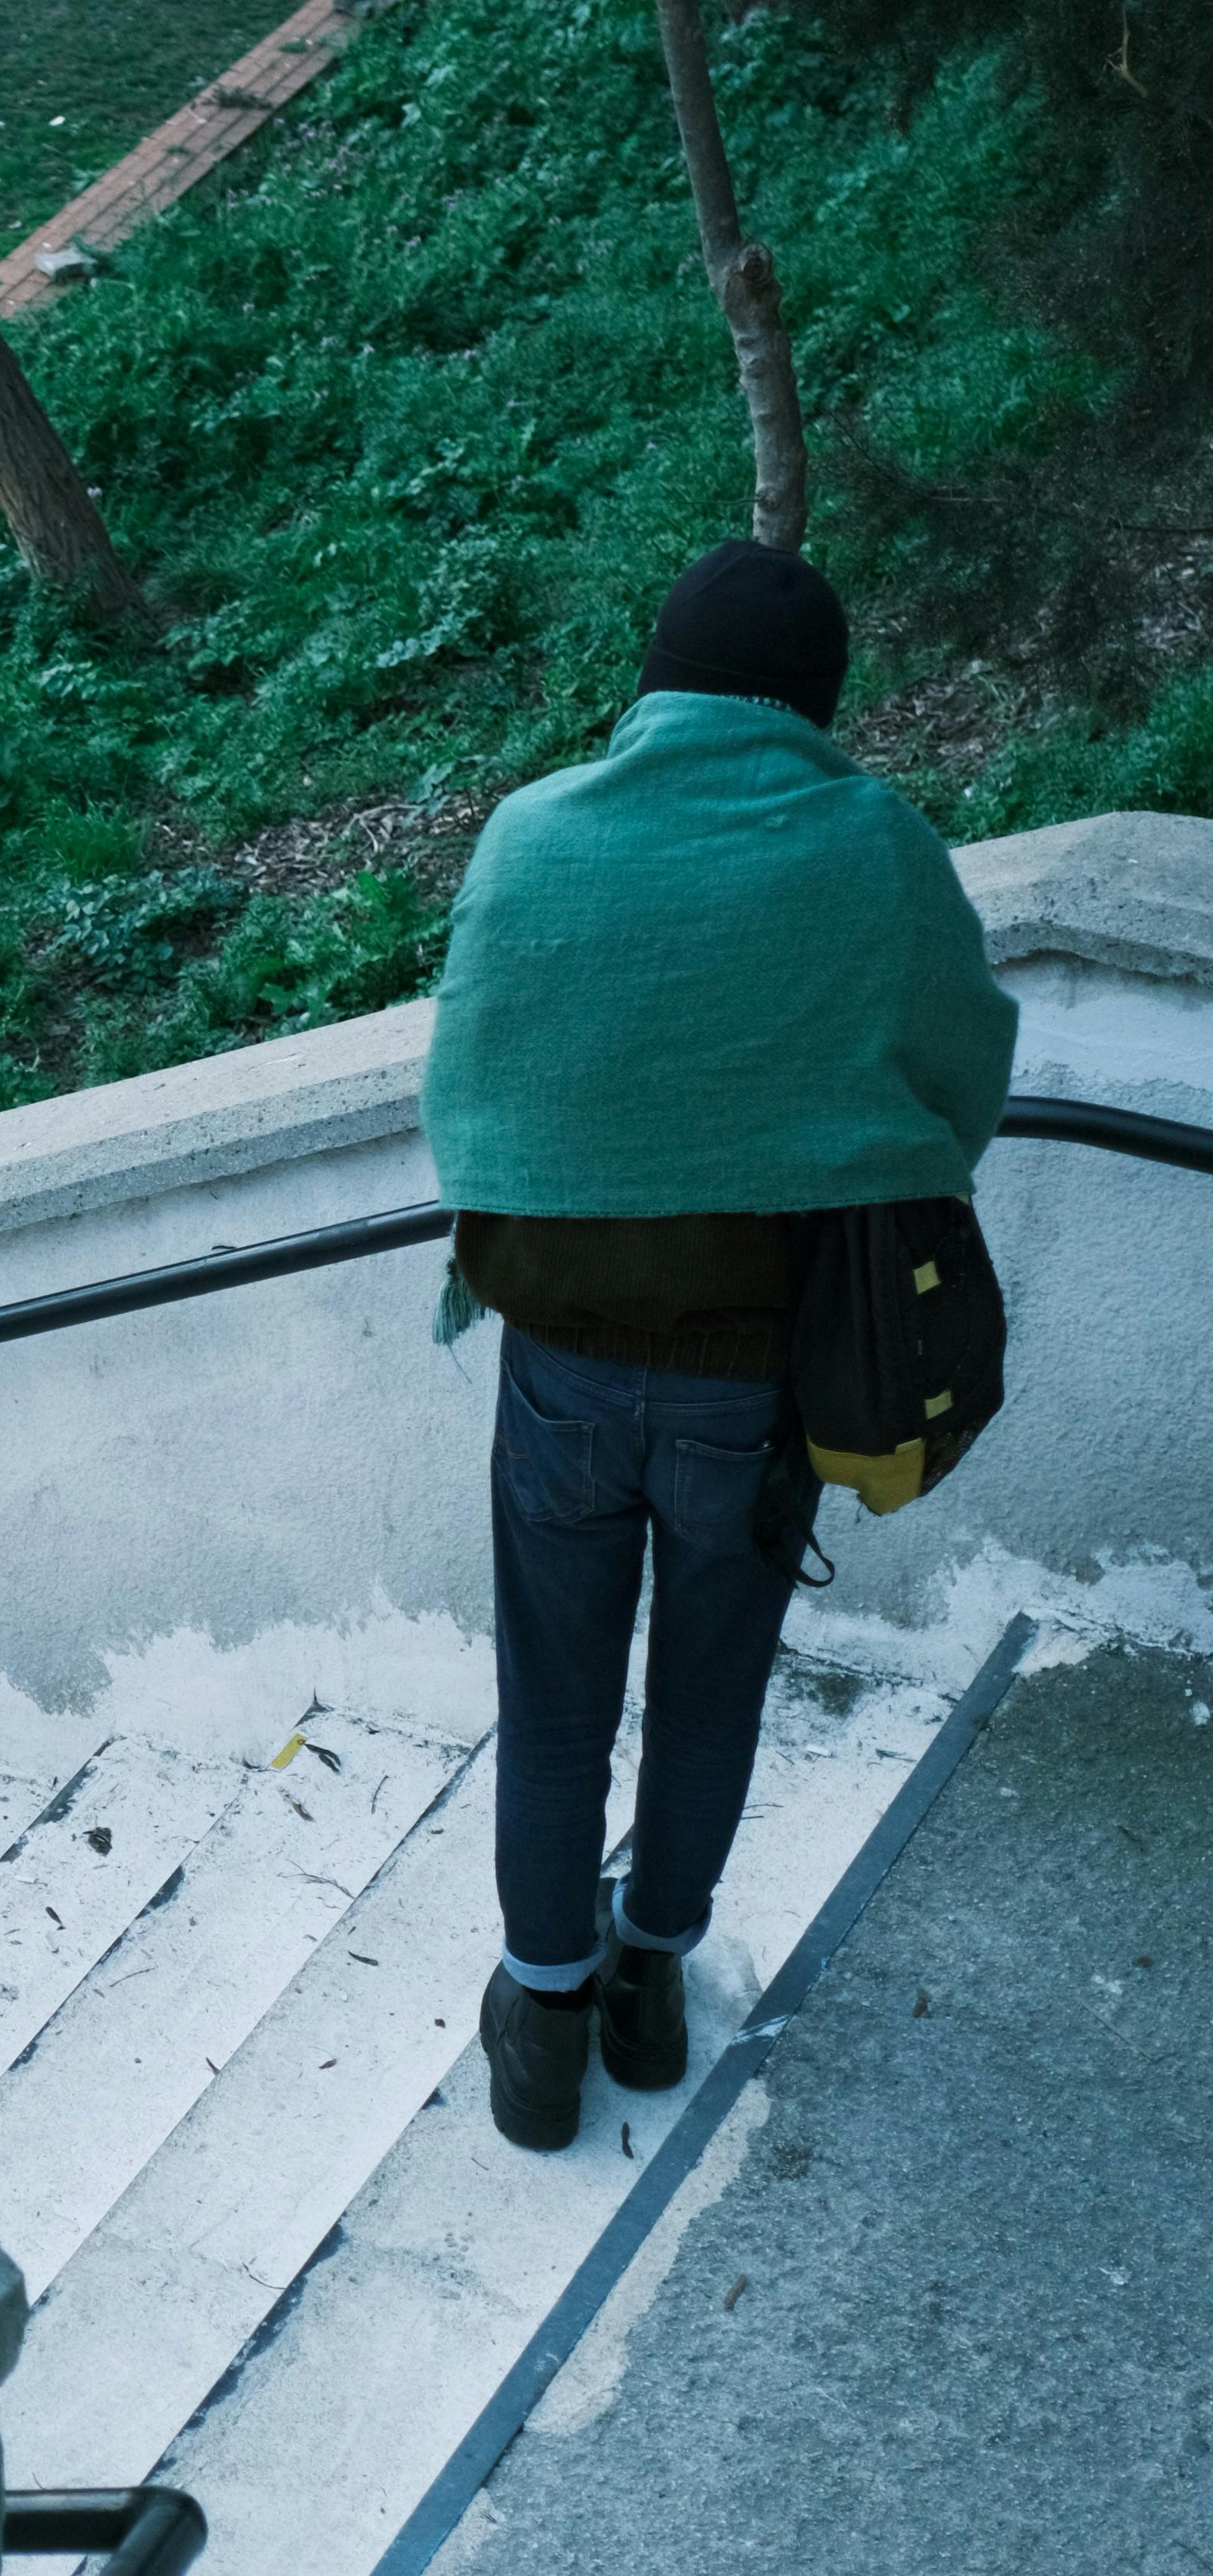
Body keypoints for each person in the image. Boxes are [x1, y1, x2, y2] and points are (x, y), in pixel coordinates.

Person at [422, 542, 1019, 2154]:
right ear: (816, 702)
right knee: (706, 1694)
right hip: (756, 1384)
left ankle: (537, 2019)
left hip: (555, 1356)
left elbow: (469, 1076)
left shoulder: (535, 835)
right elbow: (960, 1080)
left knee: (552, 1699)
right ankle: (647, 1981)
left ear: (657, 678)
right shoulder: (872, 848)